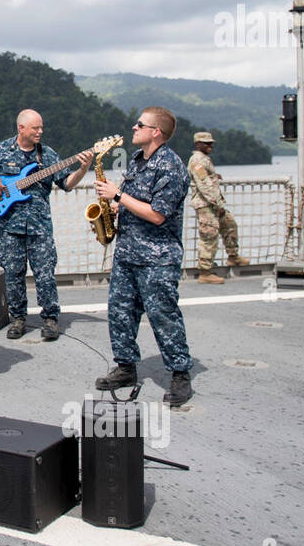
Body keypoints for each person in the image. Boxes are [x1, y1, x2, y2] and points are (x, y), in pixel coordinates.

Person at [94, 108, 194, 406]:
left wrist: (117, 196)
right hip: (128, 252)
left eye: (140, 124)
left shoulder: (171, 167)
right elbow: (136, 204)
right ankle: (125, 367)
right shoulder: (138, 162)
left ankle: (180, 373)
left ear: (156, 132)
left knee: (163, 315)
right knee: (120, 312)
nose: (134, 127)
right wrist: (115, 210)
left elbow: (158, 214)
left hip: (157, 257)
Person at [0, 110, 92, 341]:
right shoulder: (0, 151)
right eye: (35, 128)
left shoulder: (48, 155)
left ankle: (50, 318)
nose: (40, 131)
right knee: (12, 274)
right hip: (9, 224)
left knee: (45, 274)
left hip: (39, 226)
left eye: (41, 127)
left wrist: (82, 168)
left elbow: (67, 184)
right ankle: (17, 318)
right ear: (21, 128)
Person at [188, 131, 248, 284]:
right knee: (209, 236)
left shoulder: (203, 160)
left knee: (230, 225)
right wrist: (218, 204)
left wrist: (215, 176)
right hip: (207, 205)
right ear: (198, 144)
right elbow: (204, 185)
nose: (211, 145)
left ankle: (233, 257)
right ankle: (205, 272)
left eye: (211, 143)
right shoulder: (197, 161)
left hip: (213, 204)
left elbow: (207, 179)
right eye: (207, 143)